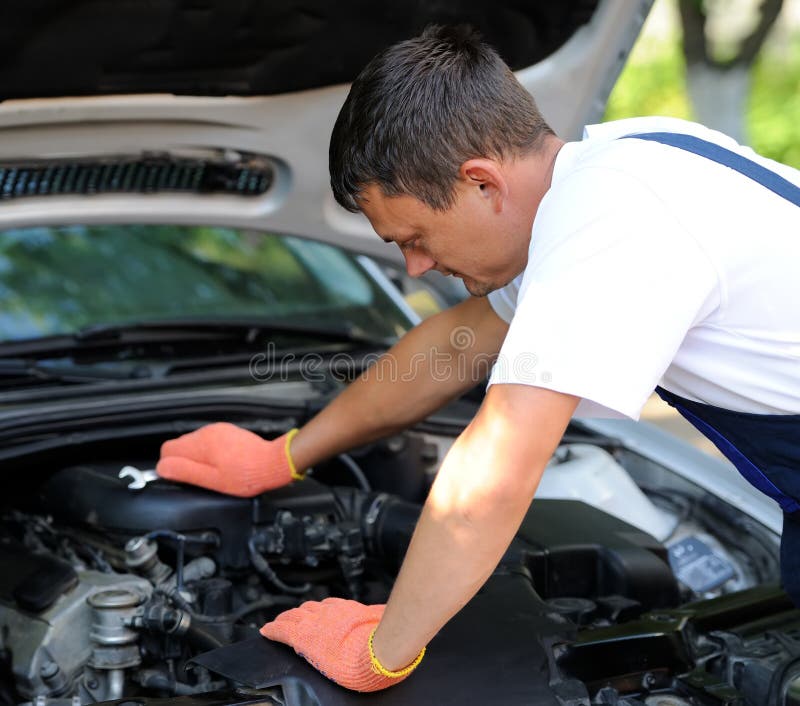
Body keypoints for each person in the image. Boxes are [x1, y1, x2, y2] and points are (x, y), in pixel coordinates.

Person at [156, 25, 800, 693]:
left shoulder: (612, 222)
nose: (415, 265)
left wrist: (382, 649)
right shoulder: (607, 170)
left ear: (482, 184)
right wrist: (286, 453)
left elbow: (498, 460)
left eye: (414, 236)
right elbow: (449, 347)